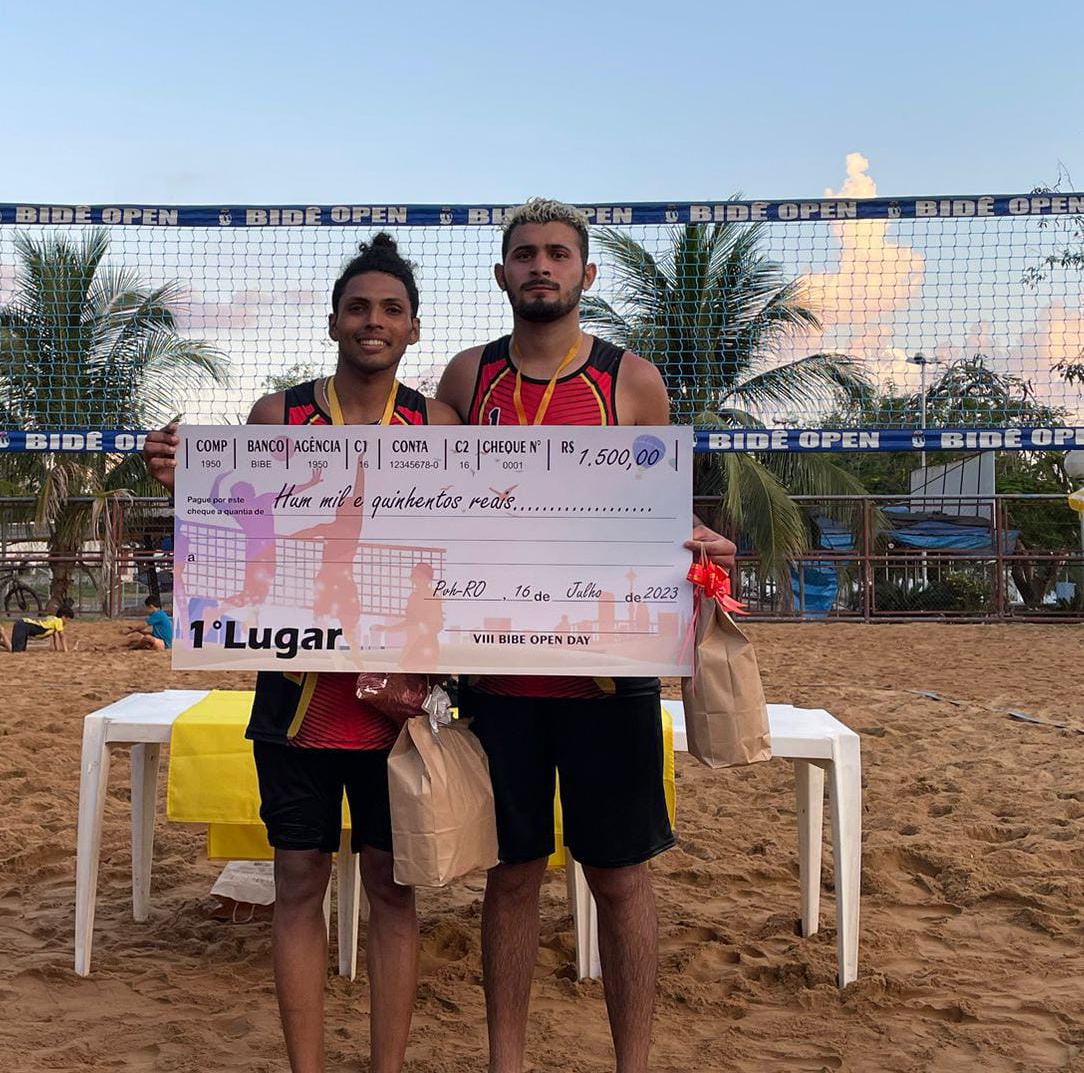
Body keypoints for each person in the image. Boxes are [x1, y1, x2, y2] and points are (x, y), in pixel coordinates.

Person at [144, 233, 459, 1073]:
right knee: (297, 885)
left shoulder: (437, 424)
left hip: (398, 698)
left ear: (414, 330)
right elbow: (232, 538)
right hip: (299, 689)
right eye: (359, 307)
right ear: (332, 321)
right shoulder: (278, 417)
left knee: (396, 893)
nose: (373, 321)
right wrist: (180, 483)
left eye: (391, 309)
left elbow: (474, 551)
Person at [437, 198, 737, 1073]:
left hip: (610, 678)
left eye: (558, 254)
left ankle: (633, 1063)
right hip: (497, 680)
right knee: (514, 875)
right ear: (502, 275)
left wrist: (709, 549)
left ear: (585, 275)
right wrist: (203, 459)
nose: (541, 266)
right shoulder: (467, 379)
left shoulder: (630, 382)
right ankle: (506, 1061)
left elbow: (660, 519)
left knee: (621, 878)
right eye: (525, 253)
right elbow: (404, 483)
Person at [0, 605, 75, 653]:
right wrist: (66, 651)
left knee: (20, 650)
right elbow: (62, 636)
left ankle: (1, 641)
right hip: (24, 626)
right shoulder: (58, 621)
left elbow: (56, 636)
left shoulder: (53, 619)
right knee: (15, 652)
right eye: (68, 620)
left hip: (24, 625)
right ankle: (2, 632)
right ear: (63, 616)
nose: (67, 622)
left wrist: (57, 650)